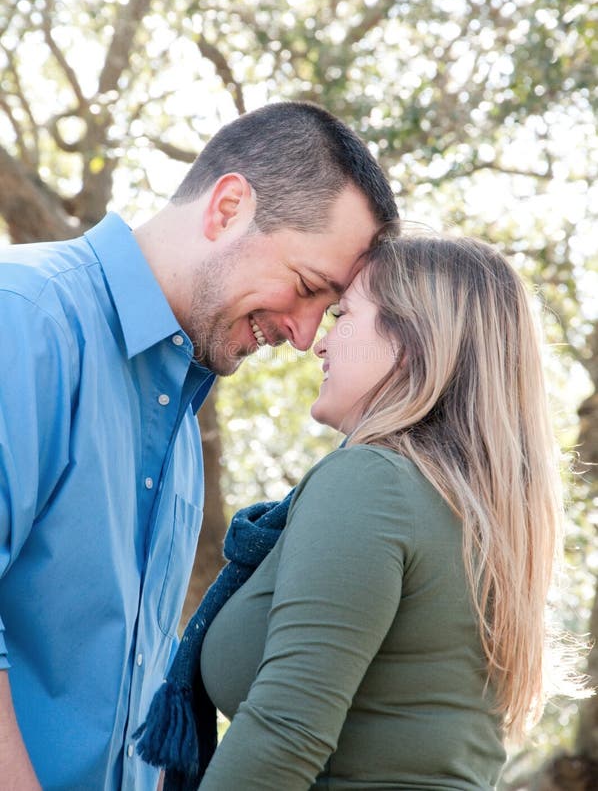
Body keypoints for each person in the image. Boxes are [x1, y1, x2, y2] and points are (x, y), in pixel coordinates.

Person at [0, 101, 397, 791]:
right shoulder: (25, 319)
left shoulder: (181, 416)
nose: (305, 337)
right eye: (307, 289)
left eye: (328, 311)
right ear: (228, 207)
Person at [139, 234, 570, 791]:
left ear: (413, 343)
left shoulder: (371, 482)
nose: (318, 344)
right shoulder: (472, 510)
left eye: (344, 315)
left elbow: (284, 733)